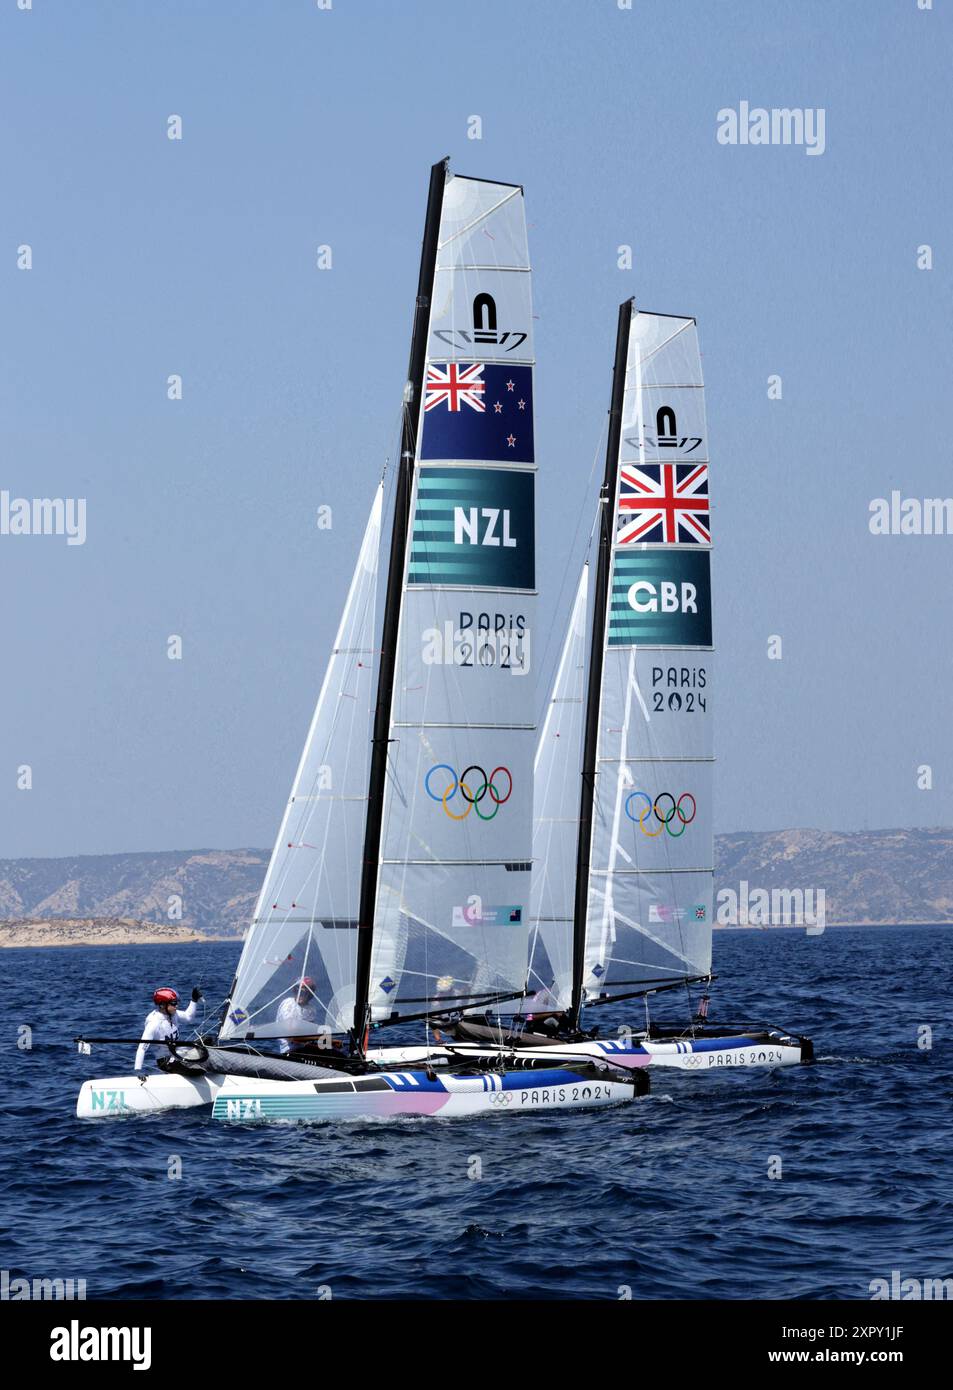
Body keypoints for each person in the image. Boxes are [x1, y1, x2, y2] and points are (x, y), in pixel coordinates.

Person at [134, 986, 203, 1073]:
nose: (176, 1006)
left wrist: (194, 1000)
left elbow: (189, 1018)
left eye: (177, 1003)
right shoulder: (154, 1023)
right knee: (197, 1071)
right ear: (162, 1005)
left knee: (207, 1043)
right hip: (165, 1061)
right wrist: (138, 1070)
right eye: (174, 1003)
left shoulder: (174, 1014)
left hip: (177, 1053)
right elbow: (142, 1048)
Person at [277, 977, 318, 1055]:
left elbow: (311, 1032)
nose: (300, 995)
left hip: (304, 1047)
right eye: (297, 991)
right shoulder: (288, 1004)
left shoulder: (311, 1009)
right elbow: (290, 1035)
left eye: (304, 993)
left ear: (310, 995)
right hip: (288, 1050)